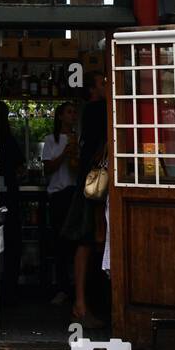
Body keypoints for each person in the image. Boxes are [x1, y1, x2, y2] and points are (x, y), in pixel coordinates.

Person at [61, 73, 108, 327]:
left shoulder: (91, 111)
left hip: (90, 184)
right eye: (103, 82)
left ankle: (84, 303)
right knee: (88, 240)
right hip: (95, 186)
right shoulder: (96, 109)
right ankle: (81, 305)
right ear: (91, 90)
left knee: (89, 242)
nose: (108, 85)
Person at [42, 102, 79, 305]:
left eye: (74, 112)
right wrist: (65, 153)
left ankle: (75, 287)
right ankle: (63, 287)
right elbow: (47, 169)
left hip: (74, 193)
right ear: (60, 117)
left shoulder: (78, 139)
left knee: (75, 243)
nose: (73, 116)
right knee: (60, 242)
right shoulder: (51, 140)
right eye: (70, 112)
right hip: (58, 194)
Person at [0, 103, 26, 307]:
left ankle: (0, 289)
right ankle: (10, 289)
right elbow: (20, 169)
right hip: (10, 196)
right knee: (11, 243)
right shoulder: (8, 139)